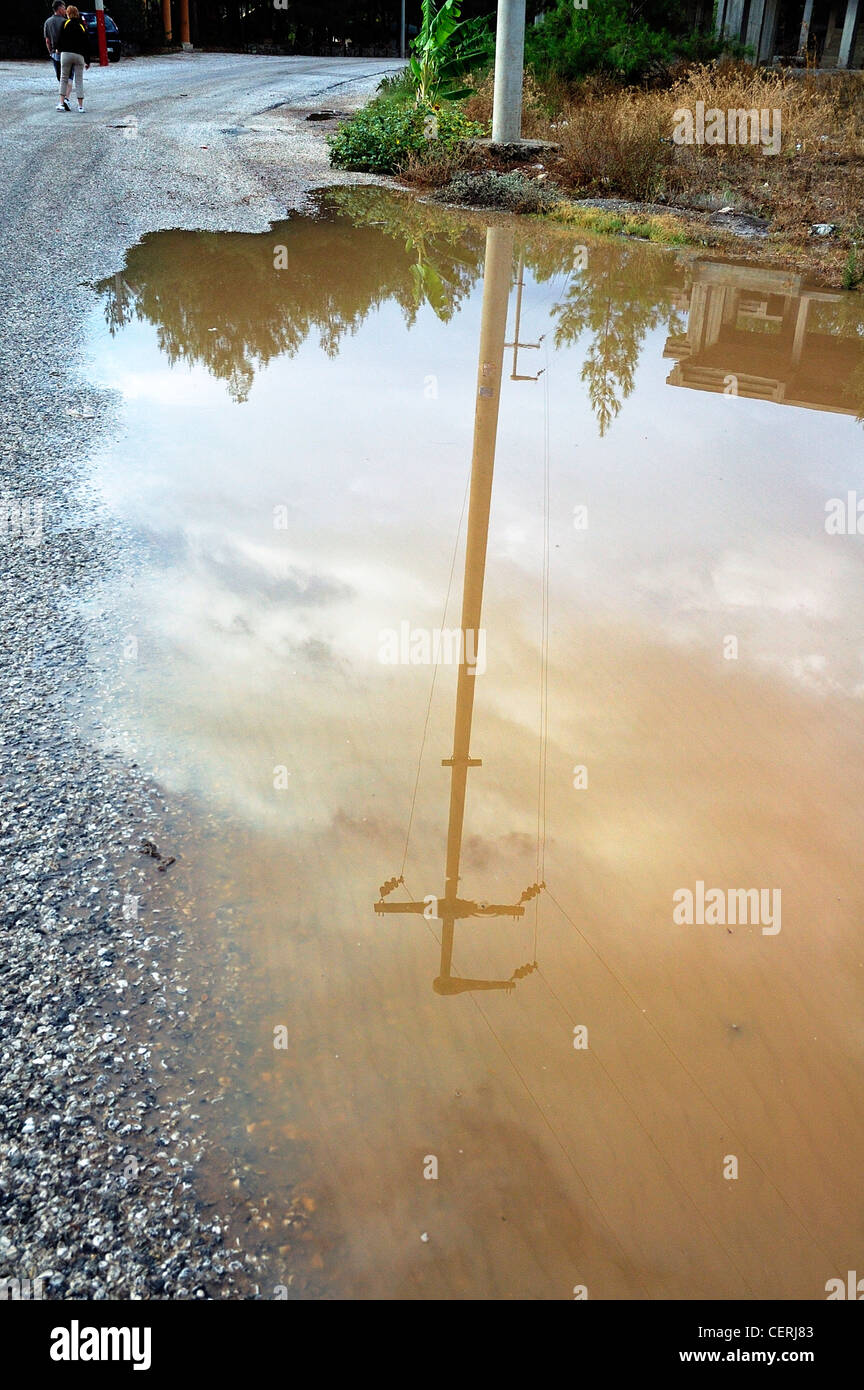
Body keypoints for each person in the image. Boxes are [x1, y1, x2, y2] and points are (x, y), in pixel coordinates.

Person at [56, 5, 90, 113]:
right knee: (79, 80)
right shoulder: (81, 26)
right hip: (79, 55)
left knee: (64, 78)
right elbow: (86, 43)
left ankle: (61, 103)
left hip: (66, 54)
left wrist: (58, 49)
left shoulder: (65, 23)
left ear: (68, 13)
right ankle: (80, 106)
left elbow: (59, 38)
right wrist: (87, 60)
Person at [44, 1, 68, 97]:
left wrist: (50, 52)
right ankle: (66, 96)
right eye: (64, 8)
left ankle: (63, 94)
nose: (65, 10)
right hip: (66, 52)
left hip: (54, 53)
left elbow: (47, 40)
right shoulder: (65, 21)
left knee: (59, 76)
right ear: (59, 8)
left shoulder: (48, 22)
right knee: (68, 75)